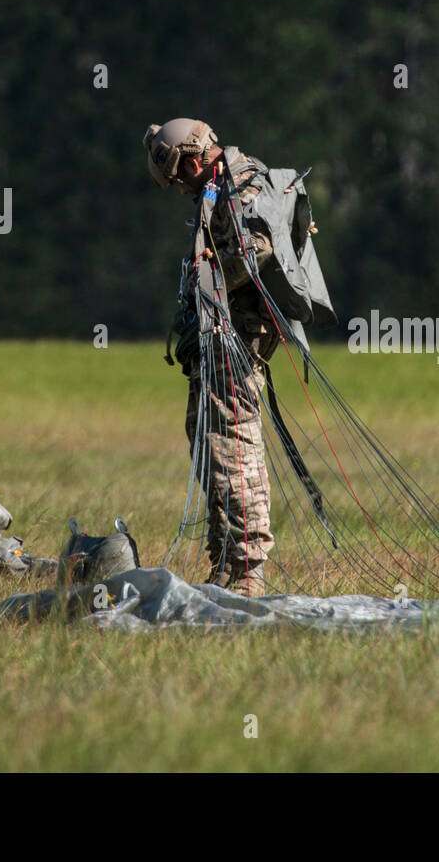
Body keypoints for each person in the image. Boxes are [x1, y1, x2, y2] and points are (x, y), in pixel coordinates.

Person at [143, 118, 282, 596]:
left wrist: (212, 272)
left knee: (233, 446)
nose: (181, 186)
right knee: (207, 440)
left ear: (196, 155)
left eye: (181, 174)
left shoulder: (244, 182)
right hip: (218, 335)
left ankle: (247, 570)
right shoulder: (216, 187)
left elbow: (256, 249)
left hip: (240, 336)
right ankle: (224, 559)